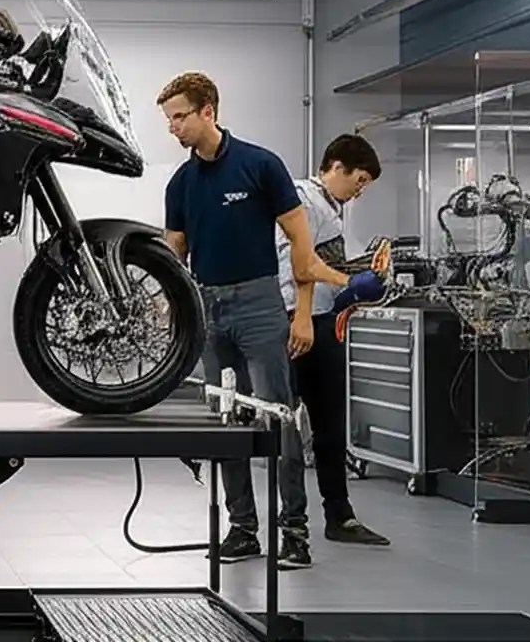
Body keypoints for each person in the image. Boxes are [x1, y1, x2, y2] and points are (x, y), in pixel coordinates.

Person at [158, 72, 385, 571]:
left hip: (261, 305)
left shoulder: (260, 165)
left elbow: (302, 249)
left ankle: (295, 533)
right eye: (169, 119)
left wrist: (302, 315)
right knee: (226, 423)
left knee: (278, 419)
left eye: (179, 117)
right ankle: (242, 528)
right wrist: (170, 301)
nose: (172, 127)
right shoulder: (180, 184)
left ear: (208, 112)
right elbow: (175, 251)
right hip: (209, 308)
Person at [275, 133, 391, 546]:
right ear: (337, 167)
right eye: (359, 181)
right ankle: (291, 522)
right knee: (288, 425)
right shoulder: (304, 200)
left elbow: (321, 263)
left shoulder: (329, 207)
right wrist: (347, 282)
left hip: (321, 320)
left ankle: (339, 515)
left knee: (330, 423)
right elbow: (301, 264)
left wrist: (360, 276)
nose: (360, 191)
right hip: (296, 321)